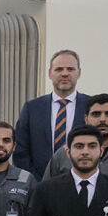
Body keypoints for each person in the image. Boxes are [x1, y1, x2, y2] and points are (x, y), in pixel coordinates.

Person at [12, 49, 89, 178]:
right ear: (49, 73)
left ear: (79, 73)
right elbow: (20, 152)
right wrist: (34, 183)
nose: (65, 74)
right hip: (39, 186)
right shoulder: (31, 108)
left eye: (70, 69)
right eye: (59, 69)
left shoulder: (90, 106)